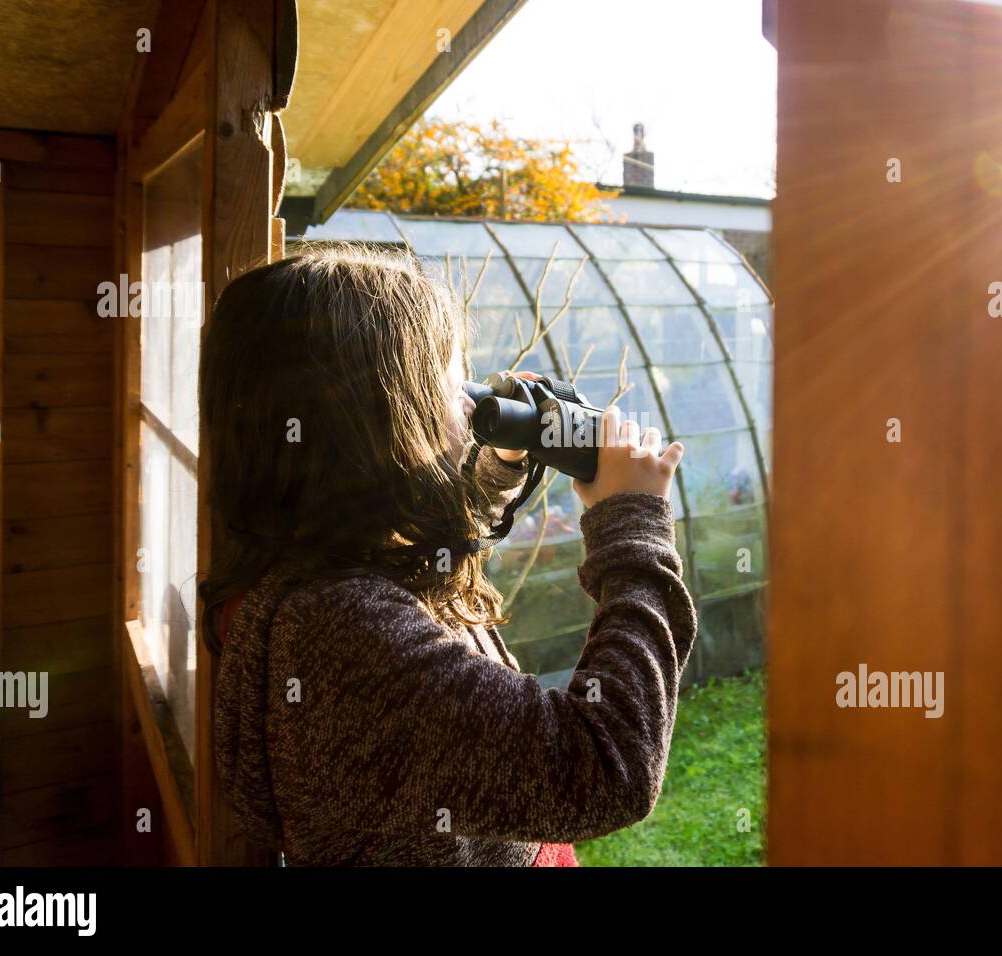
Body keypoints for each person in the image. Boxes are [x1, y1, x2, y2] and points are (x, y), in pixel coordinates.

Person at [200, 245, 697, 866]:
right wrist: (633, 528)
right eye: (443, 374)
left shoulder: (308, 565)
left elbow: (410, 557)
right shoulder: (343, 634)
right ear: (379, 415)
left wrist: (500, 464)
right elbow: (608, 764)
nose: (468, 401)